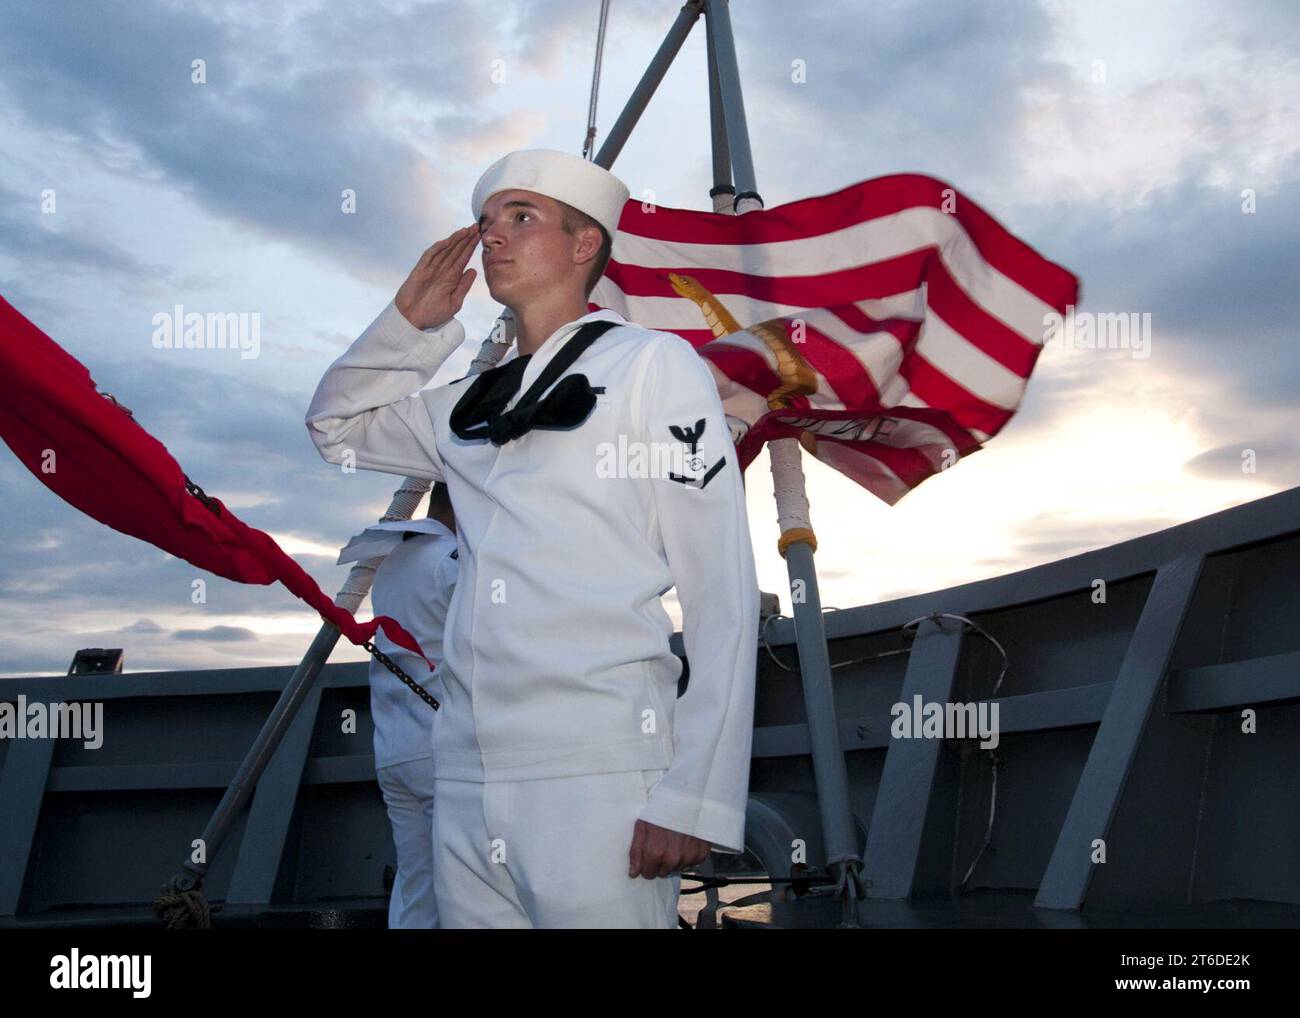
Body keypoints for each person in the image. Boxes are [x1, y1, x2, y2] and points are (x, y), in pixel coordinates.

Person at [306, 148, 758, 929]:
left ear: (586, 246)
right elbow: (336, 429)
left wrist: (697, 793)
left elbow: (721, 585)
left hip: (600, 769)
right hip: (465, 775)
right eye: (486, 224)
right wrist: (412, 326)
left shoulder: (655, 364)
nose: (493, 239)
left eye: (521, 218)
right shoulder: (465, 404)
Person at [336, 483, 458, 929]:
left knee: (416, 889)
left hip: (395, 748)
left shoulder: (394, 558)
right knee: (466, 888)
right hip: (444, 750)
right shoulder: (452, 561)